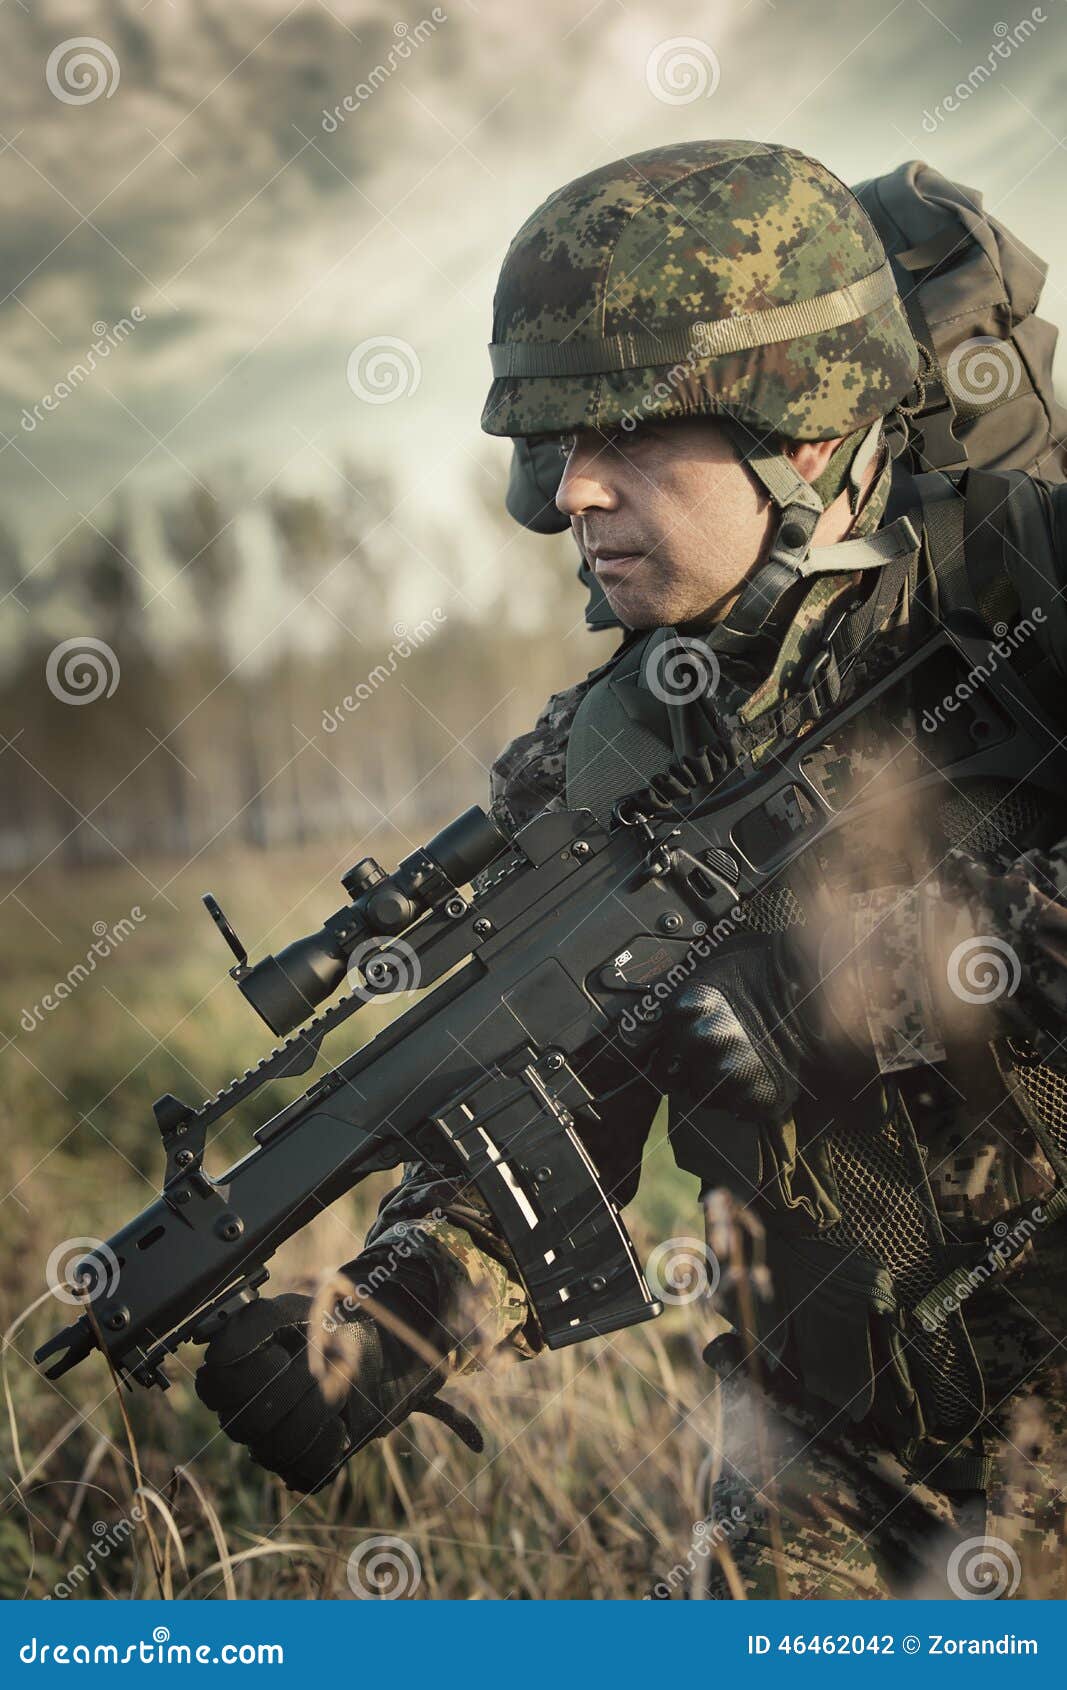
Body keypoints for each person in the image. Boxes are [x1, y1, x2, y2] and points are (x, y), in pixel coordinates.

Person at [196, 140, 1067, 1599]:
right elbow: (551, 1098)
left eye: (629, 430)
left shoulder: (1027, 579)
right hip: (842, 1449)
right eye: (554, 444)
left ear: (802, 427)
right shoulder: (594, 760)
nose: (576, 488)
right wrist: (397, 1311)